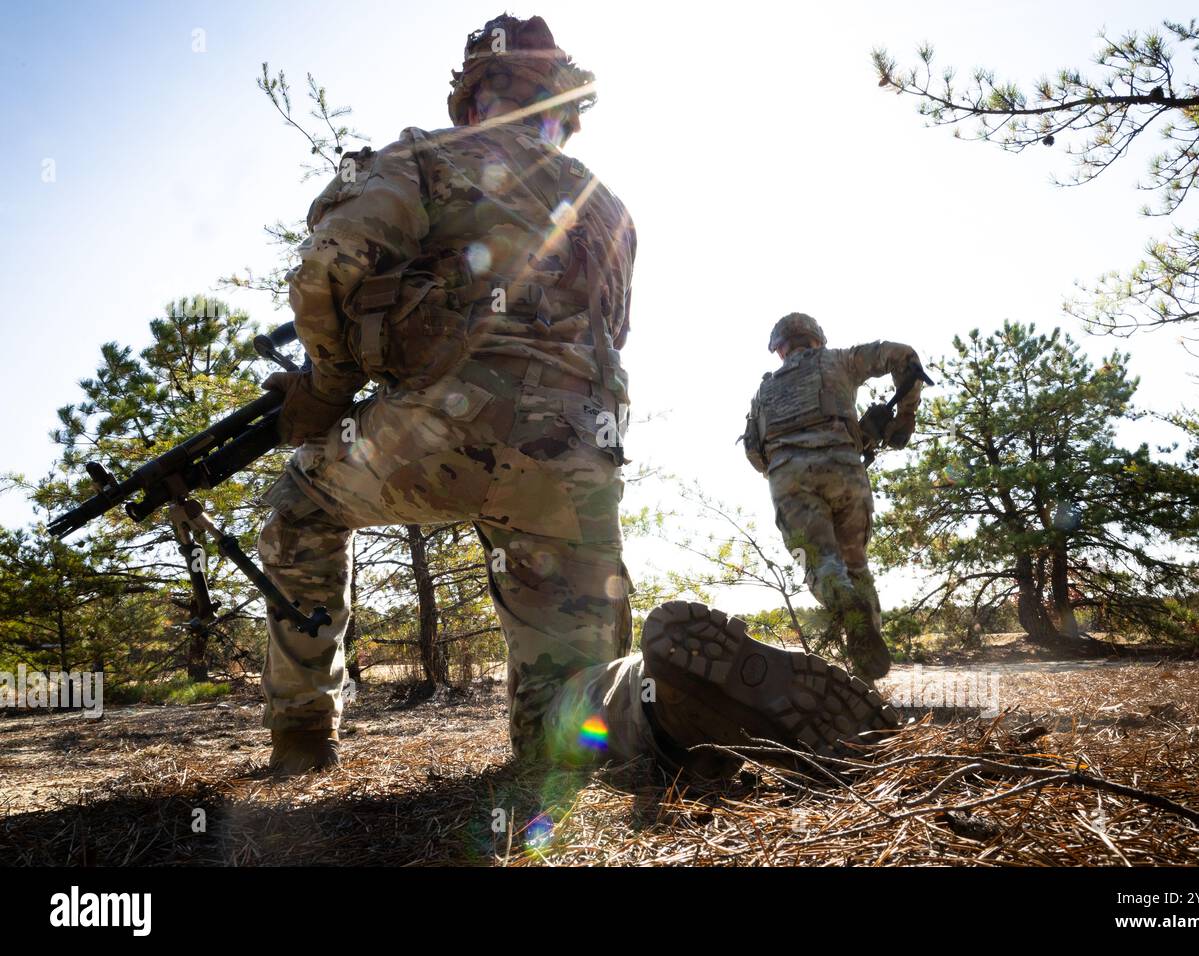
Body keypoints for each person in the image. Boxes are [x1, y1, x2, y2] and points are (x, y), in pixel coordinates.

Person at [260, 15, 895, 778]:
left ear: (471, 100)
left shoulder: (428, 155)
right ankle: (658, 699)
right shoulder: (611, 210)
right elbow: (609, 333)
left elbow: (330, 261)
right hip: (581, 458)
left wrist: (328, 386)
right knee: (561, 722)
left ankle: (301, 732)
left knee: (302, 510)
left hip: (442, 431)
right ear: (565, 110)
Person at [742, 312, 926, 679]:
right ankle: (866, 679)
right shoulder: (841, 360)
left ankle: (843, 601)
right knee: (856, 565)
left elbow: (753, 453)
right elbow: (903, 355)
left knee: (822, 566)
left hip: (790, 481)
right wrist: (904, 416)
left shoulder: (763, 393)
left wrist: (789, 465)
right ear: (817, 339)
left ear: (779, 349)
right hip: (845, 470)